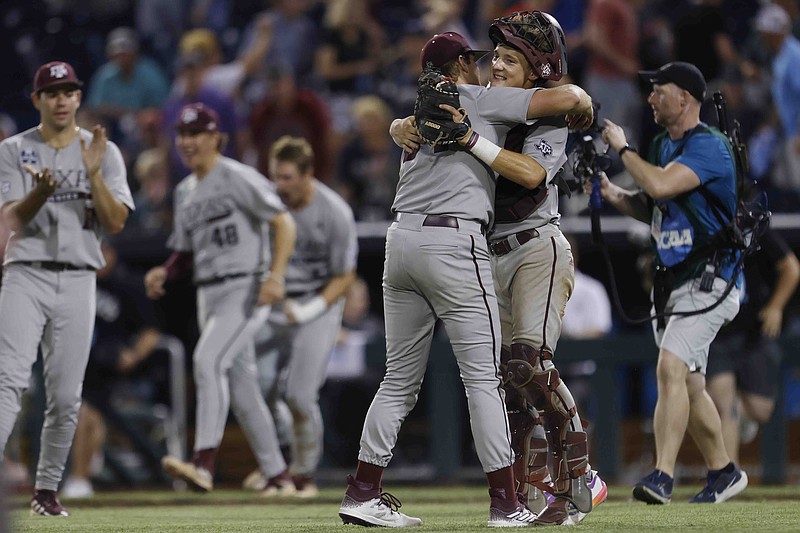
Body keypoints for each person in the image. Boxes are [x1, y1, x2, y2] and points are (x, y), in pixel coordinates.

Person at [338, 31, 594, 528]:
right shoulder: (477, 97)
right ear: (458, 66)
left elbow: (406, 127)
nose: (484, 66)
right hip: (453, 242)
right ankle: (506, 504)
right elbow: (565, 96)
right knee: (483, 380)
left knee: (397, 381)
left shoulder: (415, 119)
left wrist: (395, 125)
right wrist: (581, 98)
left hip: (399, 242)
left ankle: (362, 491)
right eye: (476, 59)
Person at [596, 61, 748, 504]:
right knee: (690, 383)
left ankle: (661, 475)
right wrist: (616, 195)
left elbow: (662, 187)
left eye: (658, 90)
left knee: (669, 367)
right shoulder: (663, 143)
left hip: (711, 278)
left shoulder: (710, 146)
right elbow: (654, 206)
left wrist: (624, 151)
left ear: (684, 97)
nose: (650, 98)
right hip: (675, 280)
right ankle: (723, 471)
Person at [0, 61, 133, 516]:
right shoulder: (13, 149)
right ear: (36, 99)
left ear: (78, 97)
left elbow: (116, 221)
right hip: (26, 273)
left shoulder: (103, 150)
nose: (60, 99)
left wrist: (93, 173)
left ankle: (46, 490)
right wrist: (40, 192)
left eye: (68, 91)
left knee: (65, 394)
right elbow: (12, 218)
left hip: (79, 276)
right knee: (9, 381)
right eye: (51, 92)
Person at [145, 103, 297, 495]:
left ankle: (203, 464)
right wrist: (167, 269)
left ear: (216, 137)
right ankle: (278, 475)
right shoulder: (184, 191)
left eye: (196, 133)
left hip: (245, 285)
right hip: (208, 291)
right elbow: (184, 250)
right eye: (183, 134)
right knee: (243, 390)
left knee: (207, 360)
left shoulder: (238, 177)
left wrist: (276, 275)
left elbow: (283, 221)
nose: (188, 142)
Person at [243, 135, 358, 498]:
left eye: (288, 177)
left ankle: (304, 475)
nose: (280, 185)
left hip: (316, 306)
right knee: (253, 387)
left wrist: (310, 309)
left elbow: (344, 276)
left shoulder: (334, 211)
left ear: (308, 174)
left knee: (299, 395)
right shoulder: (267, 205)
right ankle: (276, 467)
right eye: (276, 176)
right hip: (273, 304)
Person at [62, 242, 166, 499]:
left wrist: (133, 355)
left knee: (86, 414)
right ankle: (86, 467)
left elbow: (151, 332)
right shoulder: (77, 282)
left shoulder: (127, 285)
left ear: (111, 254)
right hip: (79, 361)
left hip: (111, 367)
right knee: (81, 416)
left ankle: (80, 477)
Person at [706, 225, 800, 463]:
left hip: (754, 330)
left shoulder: (754, 228)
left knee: (761, 409)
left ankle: (739, 416)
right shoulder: (704, 226)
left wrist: (776, 306)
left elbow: (791, 267)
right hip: (717, 332)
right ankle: (728, 476)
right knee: (725, 406)